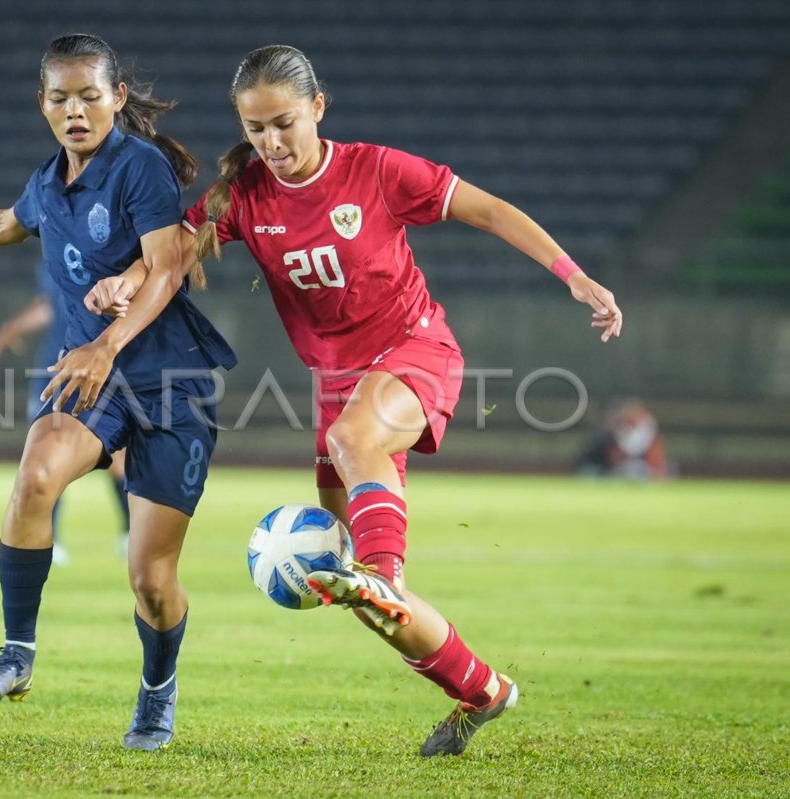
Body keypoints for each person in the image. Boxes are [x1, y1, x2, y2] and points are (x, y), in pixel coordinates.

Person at [86, 45, 623, 758]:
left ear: (318, 108)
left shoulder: (376, 171)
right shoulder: (246, 193)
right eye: (255, 130)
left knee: (367, 535)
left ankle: (386, 574)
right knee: (354, 589)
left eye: (284, 123)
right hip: (340, 391)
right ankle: (481, 689)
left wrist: (574, 276)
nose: (272, 144)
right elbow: (177, 250)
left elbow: (487, 210)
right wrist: (126, 281)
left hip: (415, 354)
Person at [0, 33, 235, 751]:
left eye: (91, 95)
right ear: (42, 104)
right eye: (61, 97)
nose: (76, 110)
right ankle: (17, 651)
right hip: (94, 375)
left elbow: (166, 270)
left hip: (169, 381)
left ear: (117, 98)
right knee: (35, 476)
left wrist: (105, 342)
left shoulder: (139, 168)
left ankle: (156, 693)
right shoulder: (49, 180)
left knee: (150, 579)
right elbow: (6, 222)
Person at [0, 263, 133, 564]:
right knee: (50, 453)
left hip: (94, 364)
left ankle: (132, 533)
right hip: (56, 365)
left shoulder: (99, 251)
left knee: (115, 454)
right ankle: (54, 539)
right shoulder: (52, 259)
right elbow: (49, 306)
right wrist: (10, 330)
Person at [574, 398, 670, 479]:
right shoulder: (614, 431)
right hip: (604, 467)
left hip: (638, 465)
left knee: (634, 468)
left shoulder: (645, 426)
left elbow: (634, 450)